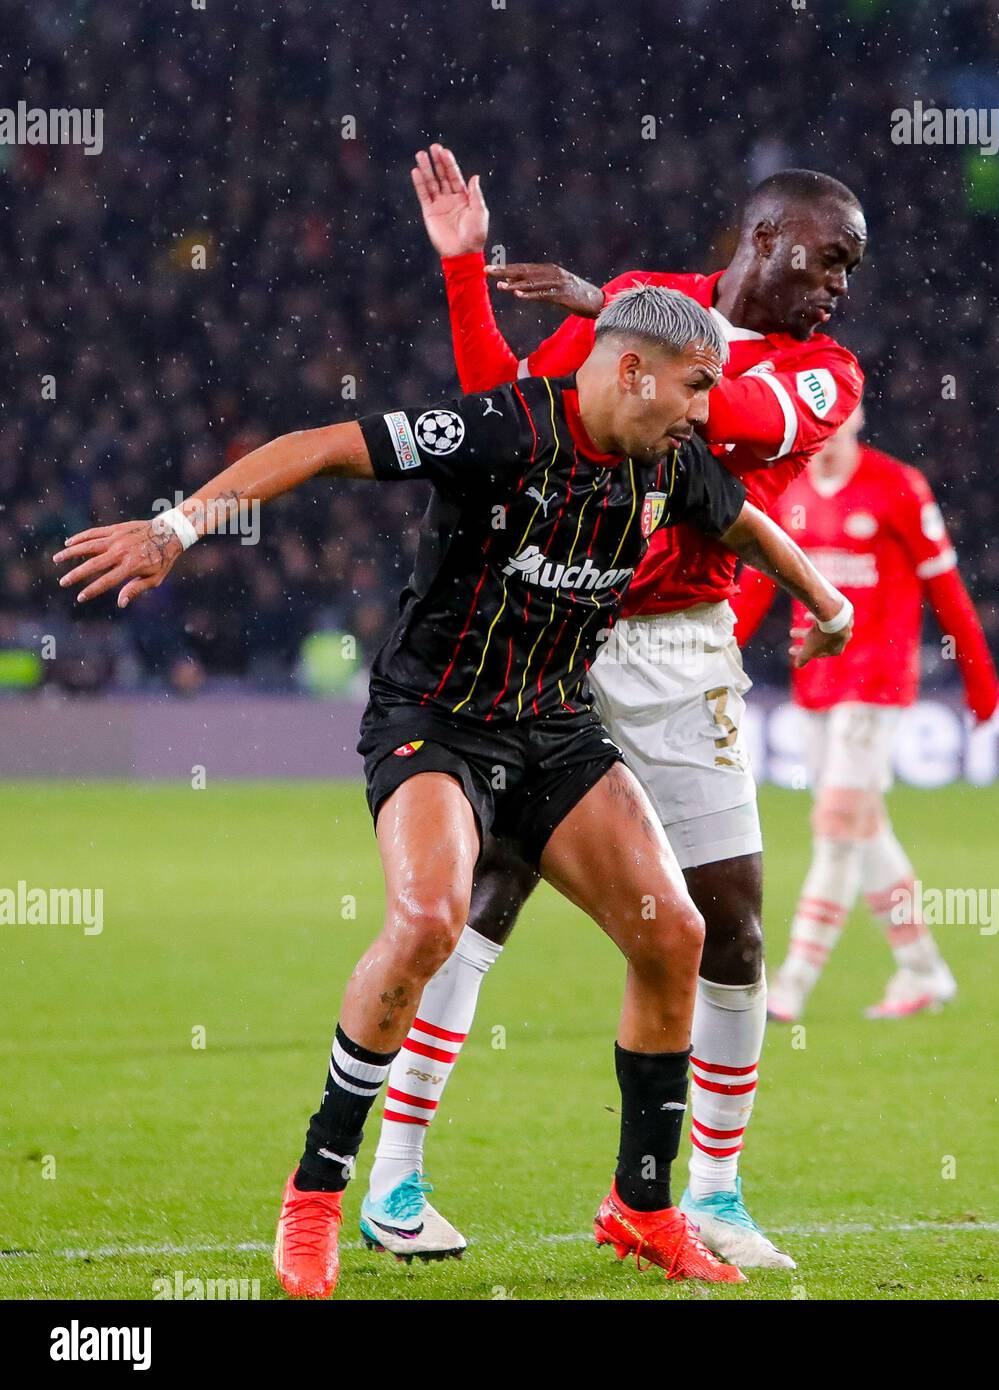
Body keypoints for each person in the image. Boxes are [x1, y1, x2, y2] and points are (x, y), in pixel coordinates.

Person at [54, 285, 854, 1295]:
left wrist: (826, 600)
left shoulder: (667, 463)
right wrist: (180, 526)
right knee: (429, 920)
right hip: (435, 720)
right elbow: (319, 445)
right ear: (631, 370)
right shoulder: (502, 428)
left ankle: (642, 1207)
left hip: (554, 730)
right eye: (696, 389)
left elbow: (743, 529)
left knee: (675, 935)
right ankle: (314, 1194)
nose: (704, 413)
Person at [359, 144, 867, 1271]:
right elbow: (509, 408)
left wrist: (611, 318)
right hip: (556, 634)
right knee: (483, 895)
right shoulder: (651, 306)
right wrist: (460, 270)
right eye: (829, 258)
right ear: (763, 239)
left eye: (850, 269)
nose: (839, 284)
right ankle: (394, 1178)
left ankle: (715, 1194)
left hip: (687, 655)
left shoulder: (827, 369)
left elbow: (726, 411)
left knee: (728, 923)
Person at [730, 406, 999, 1021]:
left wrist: (981, 683)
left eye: (836, 425)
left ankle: (792, 984)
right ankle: (924, 970)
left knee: (834, 823)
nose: (824, 440)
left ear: (857, 421)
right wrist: (719, 658)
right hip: (815, 683)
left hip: (877, 684)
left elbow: (946, 587)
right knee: (862, 830)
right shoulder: (790, 486)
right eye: (816, 427)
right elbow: (761, 585)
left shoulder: (899, 486)